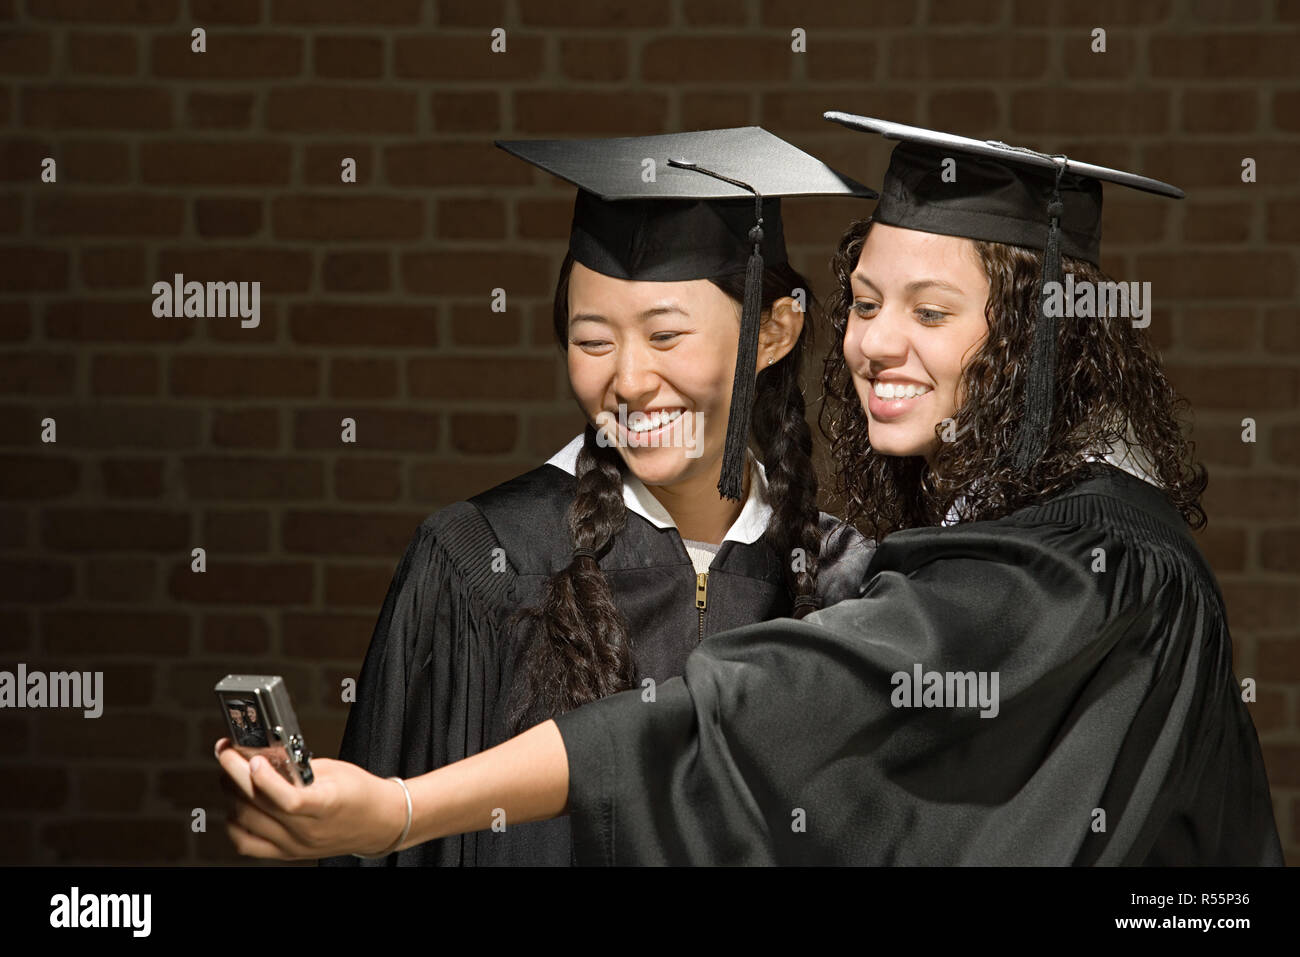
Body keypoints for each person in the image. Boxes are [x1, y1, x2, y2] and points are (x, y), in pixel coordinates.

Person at [217, 117, 1284, 865]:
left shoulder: (1077, 565)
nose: (877, 343)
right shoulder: (474, 560)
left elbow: (765, 704)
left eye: (930, 311)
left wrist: (406, 807)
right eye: (865, 303)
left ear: (1032, 341)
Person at [316, 128, 878, 866]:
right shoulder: (482, 562)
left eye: (666, 334)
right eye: (592, 340)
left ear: (773, 333)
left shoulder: (843, 582)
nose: (631, 379)